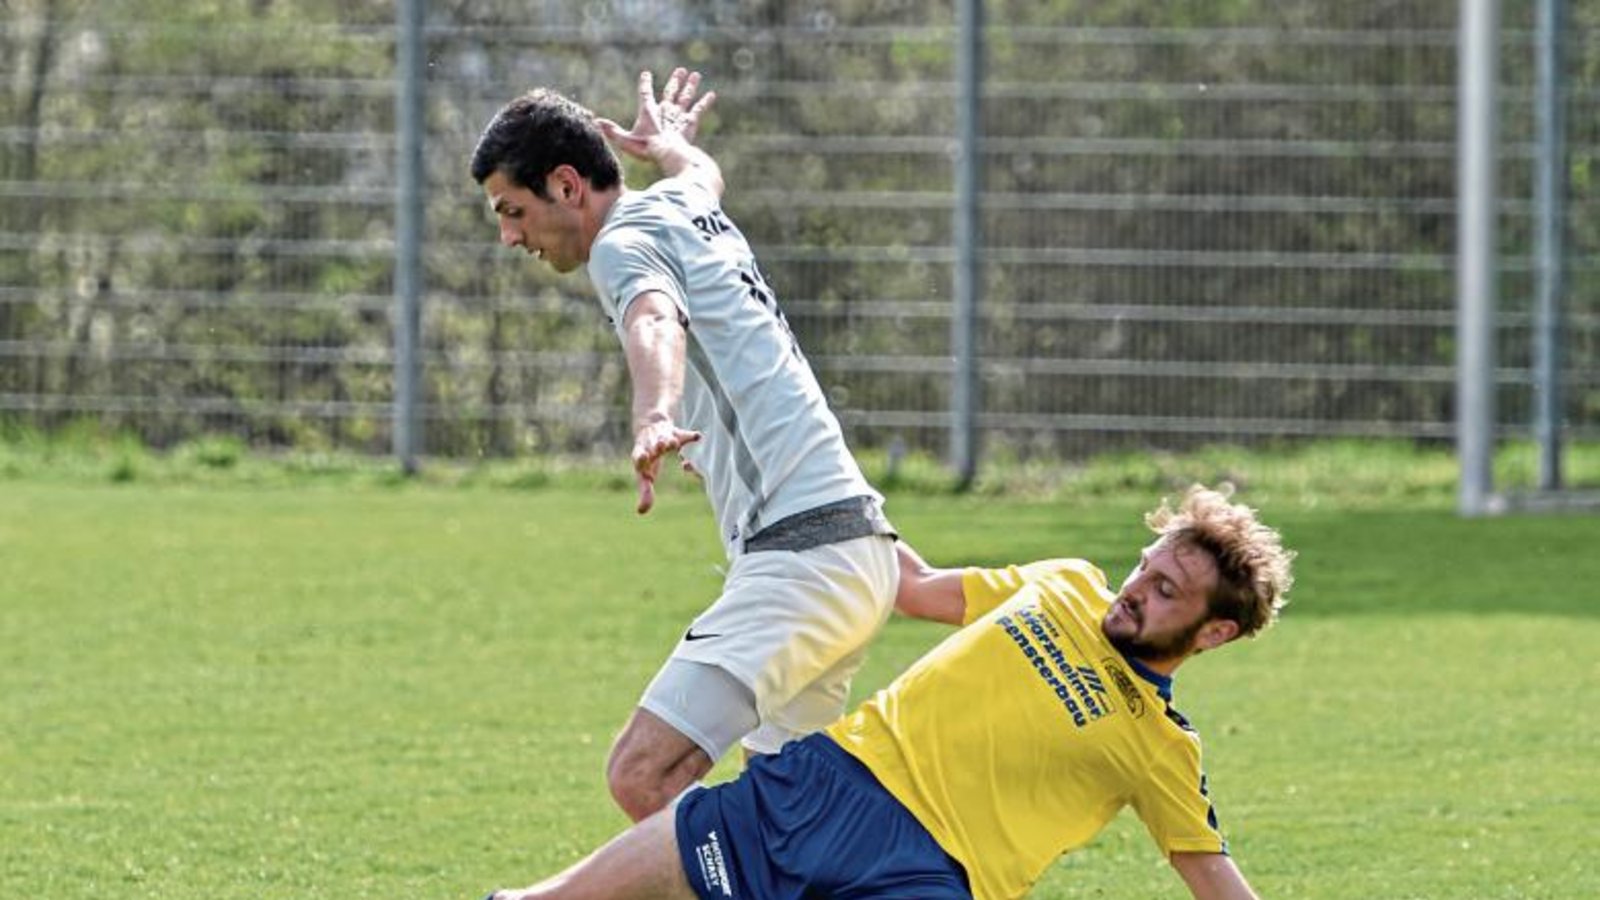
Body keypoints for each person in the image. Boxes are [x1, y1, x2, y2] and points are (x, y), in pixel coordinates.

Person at [482, 484, 1295, 900]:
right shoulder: (1064, 585)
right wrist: (821, 484)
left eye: (1165, 592)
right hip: (822, 788)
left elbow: (1214, 881)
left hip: (927, 878)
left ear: (1213, 633)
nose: (1135, 589)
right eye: (1145, 568)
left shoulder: (1161, 747)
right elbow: (914, 586)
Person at [469, 69, 899, 822]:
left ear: (567, 185)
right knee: (788, 817)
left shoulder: (621, 245)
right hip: (855, 548)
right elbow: (703, 169)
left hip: (800, 556)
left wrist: (654, 415)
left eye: (513, 211)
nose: (509, 236)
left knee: (643, 774)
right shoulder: (683, 200)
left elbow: (654, 319)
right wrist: (669, 146)